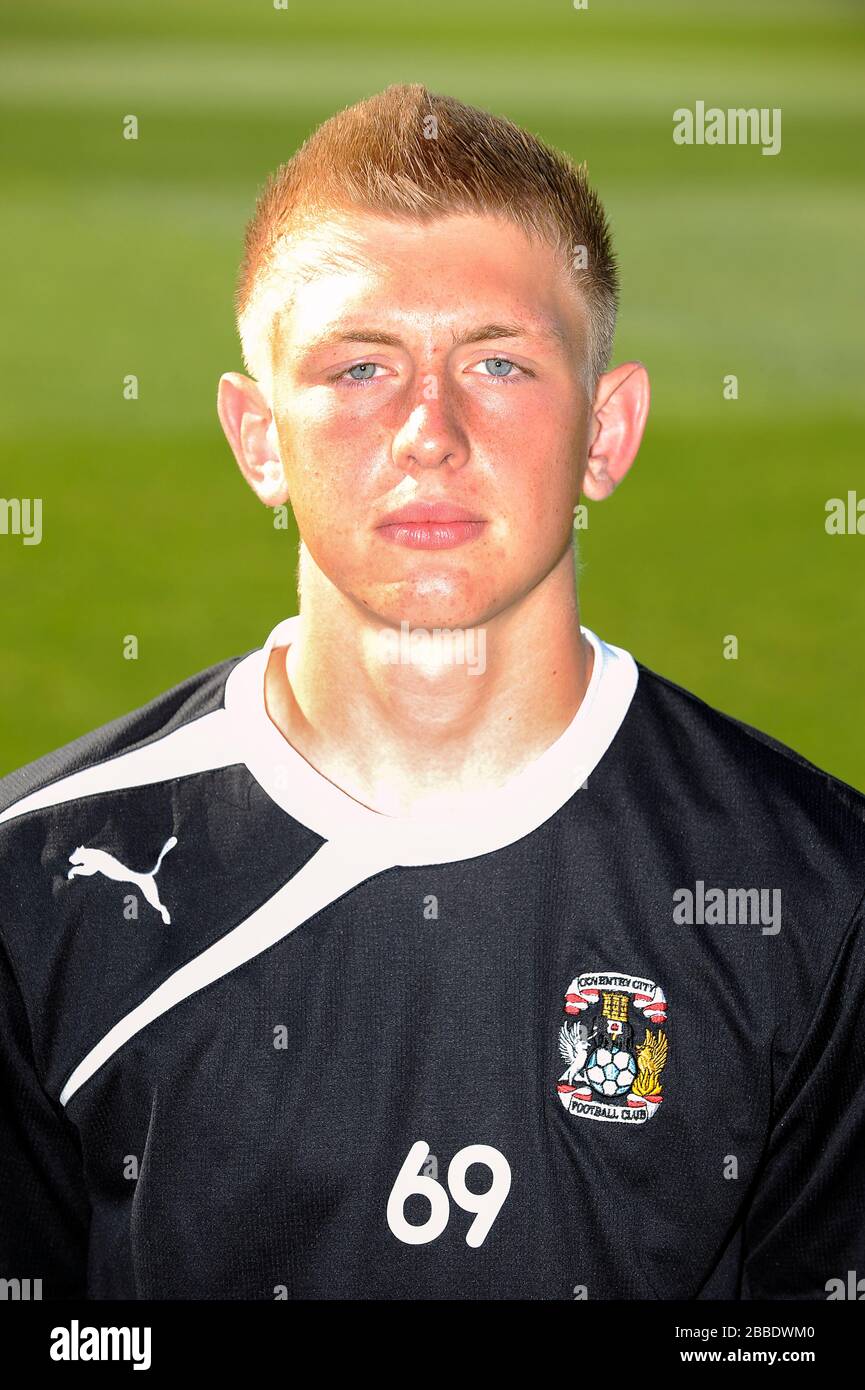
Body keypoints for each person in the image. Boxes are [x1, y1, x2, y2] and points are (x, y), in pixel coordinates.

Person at [1, 84, 863, 1302]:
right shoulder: (35, 882)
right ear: (257, 439)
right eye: (359, 369)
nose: (427, 430)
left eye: (499, 362)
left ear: (607, 434)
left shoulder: (820, 897)